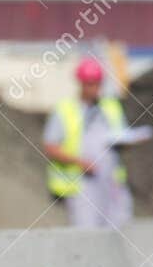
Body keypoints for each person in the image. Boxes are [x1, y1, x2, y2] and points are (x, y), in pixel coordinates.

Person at [44, 57, 134, 229]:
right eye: (90, 84)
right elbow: (51, 147)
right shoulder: (65, 110)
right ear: (81, 84)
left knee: (118, 229)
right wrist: (80, 162)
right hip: (81, 185)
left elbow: (123, 135)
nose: (95, 89)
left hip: (111, 182)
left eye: (97, 84)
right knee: (87, 232)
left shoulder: (111, 106)